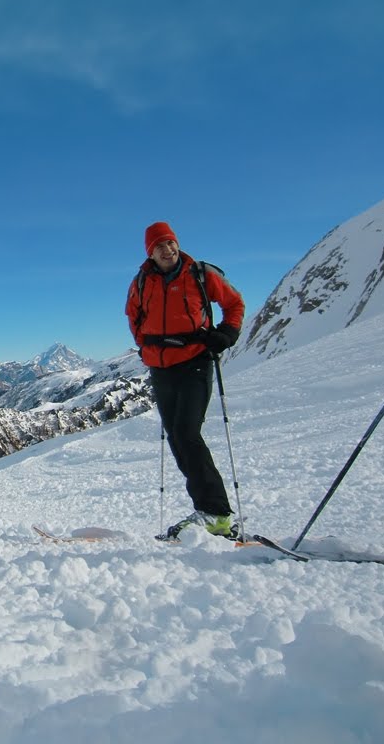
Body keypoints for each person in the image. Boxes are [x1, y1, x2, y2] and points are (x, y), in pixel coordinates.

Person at [125, 221, 246, 539]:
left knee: (187, 433)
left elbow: (234, 303)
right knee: (177, 438)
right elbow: (132, 314)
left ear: (177, 244)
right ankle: (207, 511)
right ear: (150, 253)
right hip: (160, 368)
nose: (167, 250)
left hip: (195, 361)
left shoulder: (201, 274)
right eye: (159, 246)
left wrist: (227, 333)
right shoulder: (141, 282)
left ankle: (217, 513)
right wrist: (145, 345)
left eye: (170, 243)